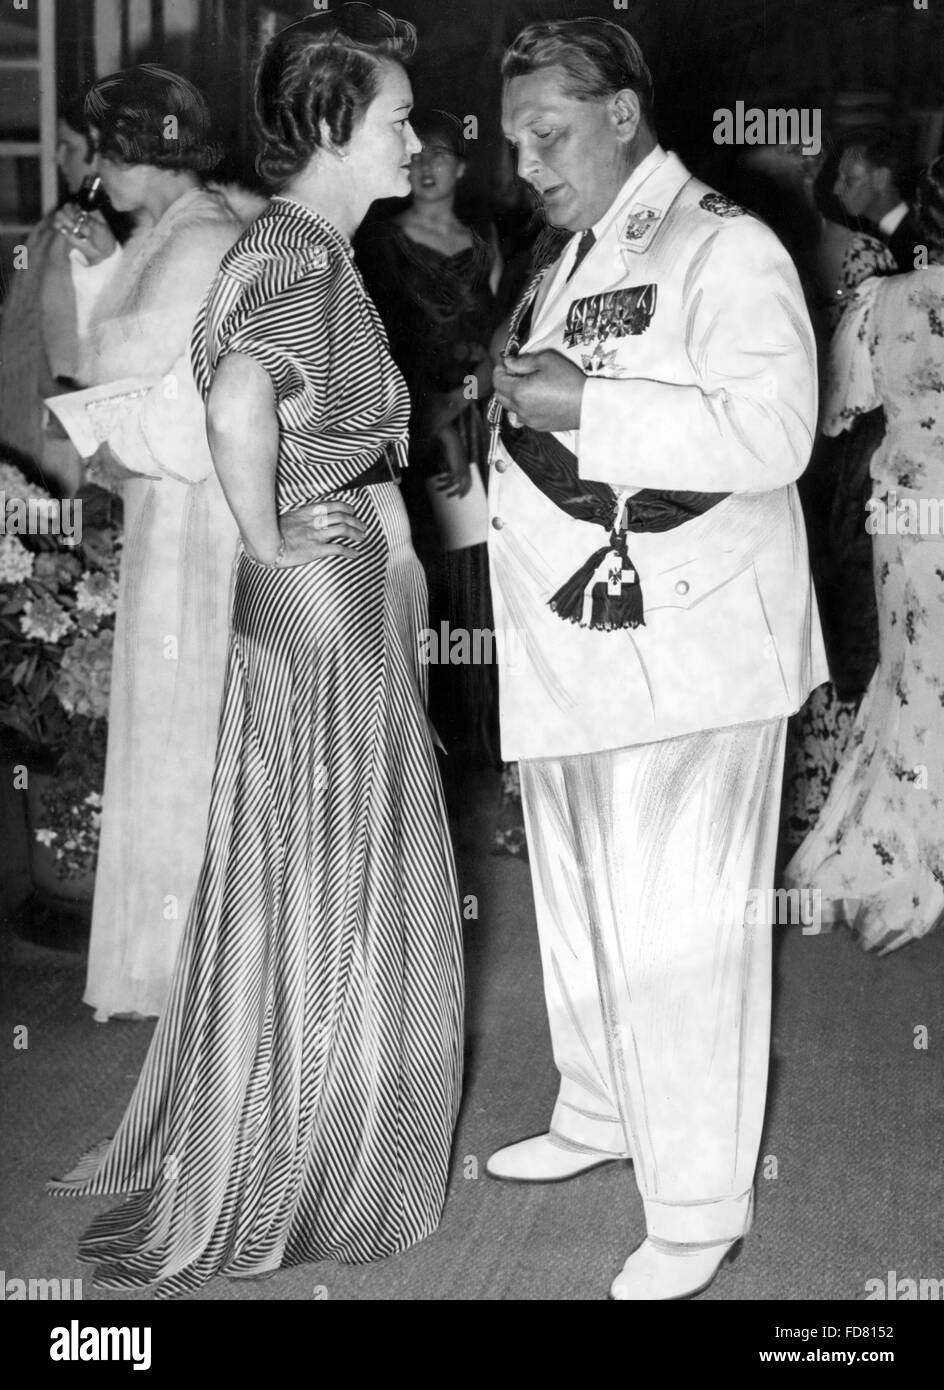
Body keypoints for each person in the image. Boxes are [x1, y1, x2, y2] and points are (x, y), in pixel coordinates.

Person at [49, 6, 464, 1299]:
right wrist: (281, 535)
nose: (418, 136)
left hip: (331, 573)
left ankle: (303, 1128)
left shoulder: (311, 246)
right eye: (399, 117)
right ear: (336, 126)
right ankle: (302, 1152)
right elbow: (238, 406)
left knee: (307, 860)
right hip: (314, 578)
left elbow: (286, 416)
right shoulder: (295, 251)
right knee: (328, 860)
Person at [483, 18, 825, 1300]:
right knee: (579, 908)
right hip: (570, 638)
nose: (521, 159)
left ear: (622, 113)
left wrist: (590, 404)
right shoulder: (569, 255)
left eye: (547, 133)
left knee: (681, 929)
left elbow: (775, 431)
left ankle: (695, 1204)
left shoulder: (720, 246)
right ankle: (600, 1107)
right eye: (513, 137)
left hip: (685, 646)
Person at [48, 66, 245, 1022]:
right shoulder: (170, 234)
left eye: (99, 153)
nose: (89, 171)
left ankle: (196, 967)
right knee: (169, 725)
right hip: (168, 517)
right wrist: (98, 268)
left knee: (190, 725)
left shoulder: (205, 239)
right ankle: (172, 963)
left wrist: (105, 436)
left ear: (137, 152)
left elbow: (188, 400)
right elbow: (114, 357)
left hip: (200, 518)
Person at [784, 158, 944, 956]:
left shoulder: (884, 300)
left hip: (910, 516)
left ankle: (887, 849)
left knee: (911, 676)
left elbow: (839, 407)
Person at [356, 109, 500, 764]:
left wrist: (466, 410)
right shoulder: (376, 243)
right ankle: (418, 754)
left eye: (441, 154)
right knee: (419, 583)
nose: (426, 166)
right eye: (416, 154)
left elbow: (503, 346)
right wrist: (430, 426)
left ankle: (483, 749)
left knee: (481, 583)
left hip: (478, 429)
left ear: (461, 167)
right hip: (401, 432)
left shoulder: (489, 243)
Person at [0, 96, 128, 495]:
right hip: (46, 423)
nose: (57, 159)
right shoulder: (52, 231)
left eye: (68, 147)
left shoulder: (91, 237)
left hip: (74, 434)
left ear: (97, 153)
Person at [833, 130, 923, 272]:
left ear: (881, 178)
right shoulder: (868, 235)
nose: (837, 189)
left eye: (849, 180)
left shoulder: (920, 241)